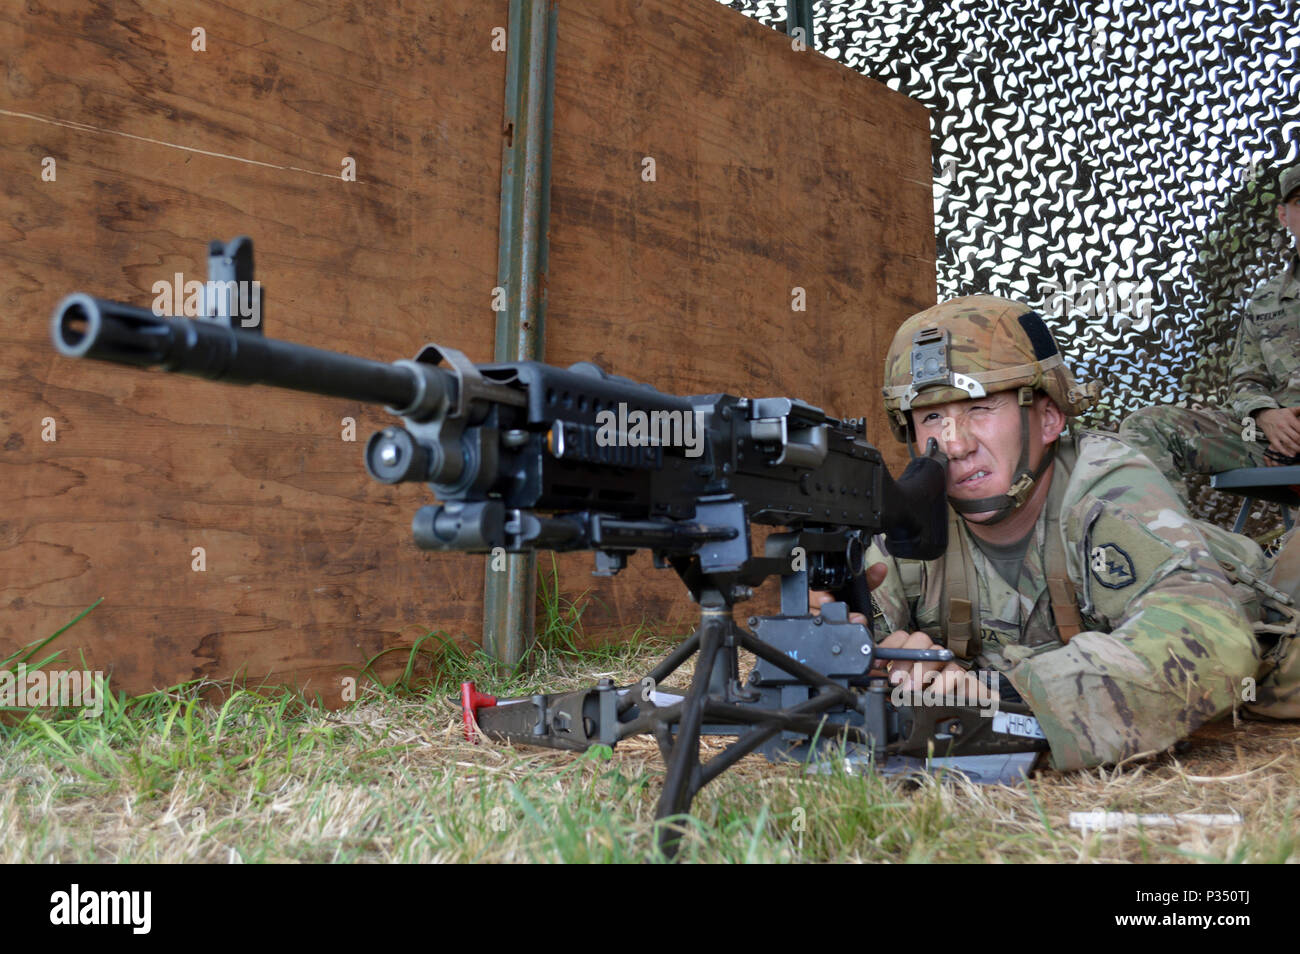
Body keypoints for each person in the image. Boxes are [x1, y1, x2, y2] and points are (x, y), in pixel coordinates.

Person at [815, 294, 1297, 773]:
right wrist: (852, 649)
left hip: (1272, 601)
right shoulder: (913, 522)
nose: (956, 443)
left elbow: (1212, 638)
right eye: (932, 418)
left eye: (980, 407)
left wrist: (1003, 702)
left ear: (1048, 418)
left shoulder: (1105, 482)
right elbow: (849, 667)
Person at [1119, 160, 1300, 500]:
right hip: (1273, 442)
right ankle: (1170, 543)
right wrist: (1264, 414)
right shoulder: (1265, 300)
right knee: (1147, 426)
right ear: (1283, 216)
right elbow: (1245, 380)